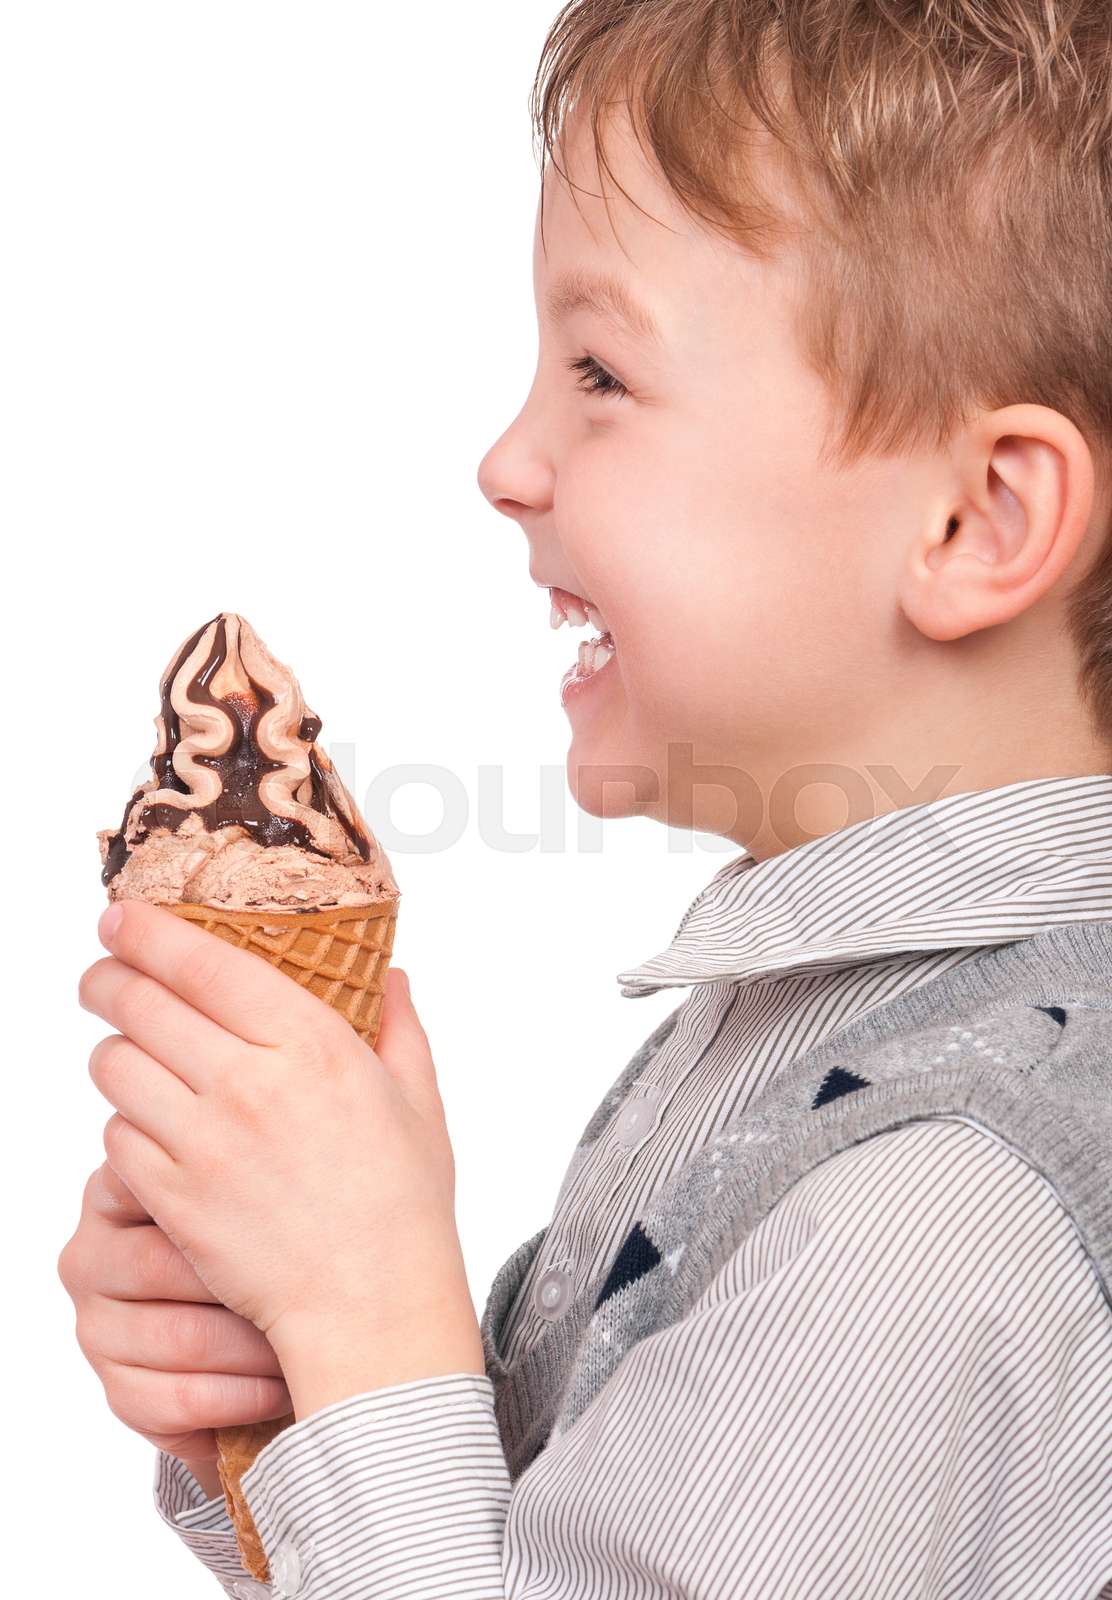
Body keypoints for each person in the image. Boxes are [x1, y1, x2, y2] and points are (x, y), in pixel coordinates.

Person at [59, 2, 1112, 1594]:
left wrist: (368, 1322)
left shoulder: (928, 1212)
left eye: (602, 371)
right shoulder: (829, 1030)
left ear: (977, 518)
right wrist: (292, 1404)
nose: (506, 458)